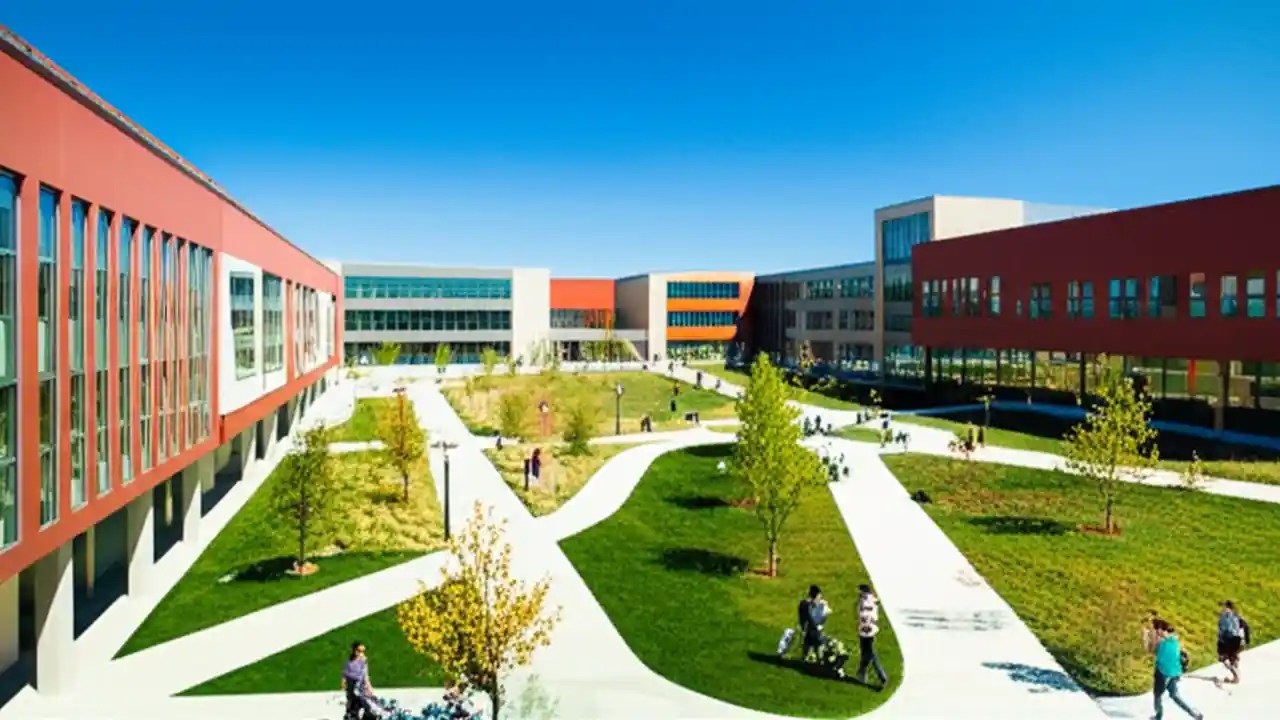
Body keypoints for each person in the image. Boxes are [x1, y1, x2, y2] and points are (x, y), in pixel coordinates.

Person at [1154, 624, 1203, 720]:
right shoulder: (1175, 642)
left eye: (1158, 631)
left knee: (1157, 695)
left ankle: (1158, 716)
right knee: (1175, 695)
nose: (1158, 633)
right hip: (1175, 673)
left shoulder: (1164, 645)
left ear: (1163, 631)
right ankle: (1194, 714)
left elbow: (1159, 658)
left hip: (1164, 673)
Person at [855, 584, 888, 689]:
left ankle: (881, 676)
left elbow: (865, 615)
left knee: (870, 654)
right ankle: (861, 674)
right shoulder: (871, 600)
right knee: (866, 653)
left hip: (867, 630)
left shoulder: (866, 601)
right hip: (867, 629)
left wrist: (865, 624)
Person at [342, 641, 381, 719]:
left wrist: (368, 686)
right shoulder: (349, 662)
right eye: (359, 651)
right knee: (354, 706)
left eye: (363, 651)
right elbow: (345, 676)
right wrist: (345, 686)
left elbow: (365, 675)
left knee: (366, 704)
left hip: (360, 687)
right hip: (352, 687)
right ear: (355, 651)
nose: (362, 653)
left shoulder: (363, 660)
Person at [1217, 600, 1248, 685]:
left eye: (1223, 607)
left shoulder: (1224, 617)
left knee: (1224, 658)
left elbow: (1224, 631)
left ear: (1227, 607)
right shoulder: (1237, 616)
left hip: (1229, 640)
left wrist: (1221, 641)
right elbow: (1245, 627)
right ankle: (1235, 675)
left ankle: (1236, 676)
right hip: (1237, 640)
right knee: (1233, 658)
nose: (1221, 608)